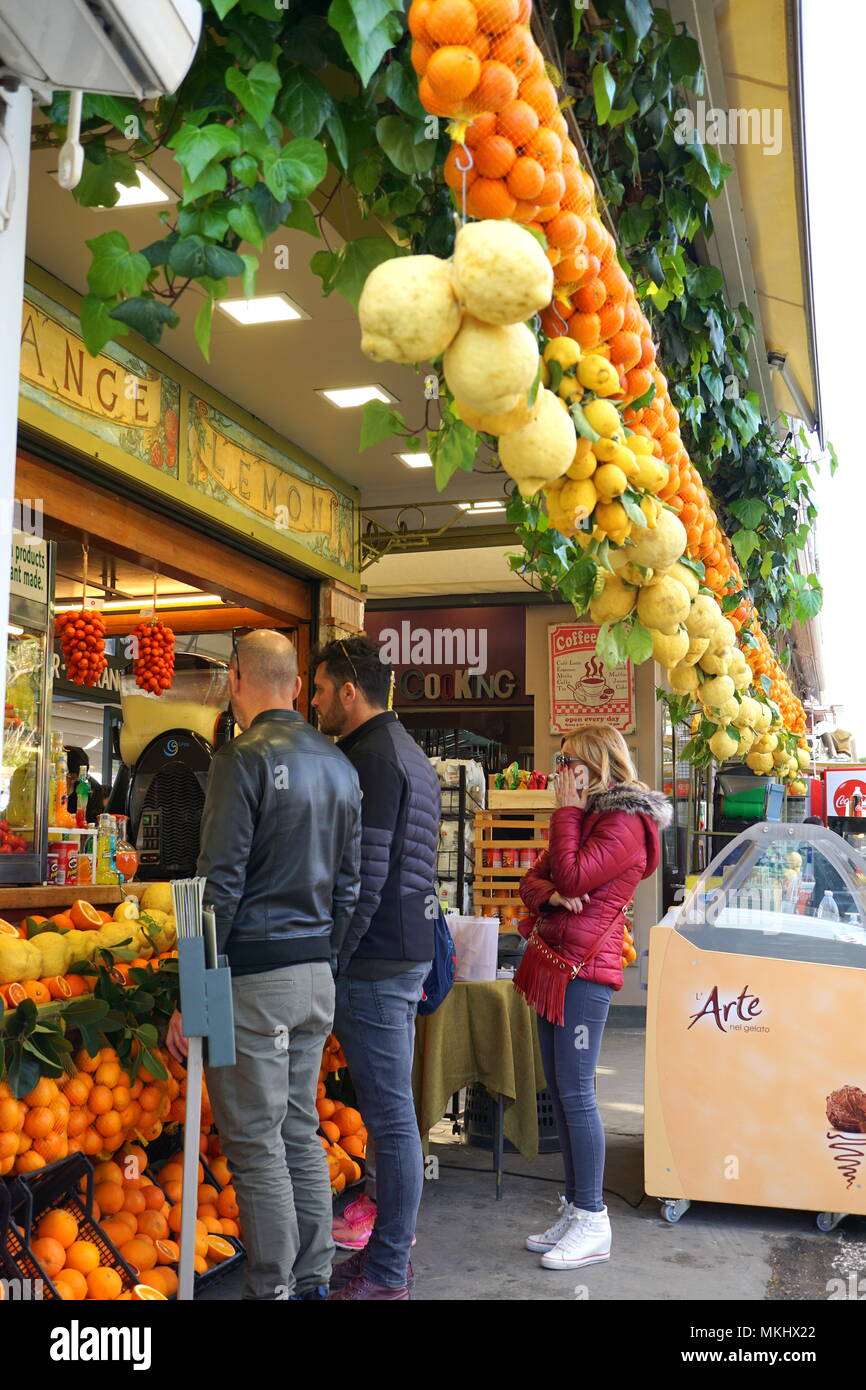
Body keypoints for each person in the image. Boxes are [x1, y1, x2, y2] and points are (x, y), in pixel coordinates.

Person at [166, 630, 361, 1301]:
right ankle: (313, 1281)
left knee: (254, 1142)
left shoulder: (240, 758)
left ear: (237, 679)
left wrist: (194, 994)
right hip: (315, 975)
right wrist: (324, 959)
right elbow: (351, 887)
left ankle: (272, 1289)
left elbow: (216, 884)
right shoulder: (341, 767)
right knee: (300, 1129)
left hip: (253, 979)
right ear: (299, 687)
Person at [311, 635, 440, 1301]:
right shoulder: (408, 754)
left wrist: (333, 958)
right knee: (393, 1114)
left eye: (320, 689)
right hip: (404, 948)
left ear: (349, 691)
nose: (313, 702)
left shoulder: (370, 760)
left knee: (390, 1118)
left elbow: (362, 877)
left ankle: (388, 1272)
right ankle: (384, 1261)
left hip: (375, 955)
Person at [515, 724, 671, 1271]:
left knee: (577, 1093)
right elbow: (535, 882)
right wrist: (553, 892)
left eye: (567, 760)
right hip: (554, 965)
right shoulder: (588, 819)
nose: (559, 770)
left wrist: (565, 818)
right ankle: (574, 1206)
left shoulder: (624, 823)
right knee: (559, 1089)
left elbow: (576, 874)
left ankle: (593, 1219)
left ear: (594, 764)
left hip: (584, 973)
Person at [65, 746, 103, 823]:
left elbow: (93, 819)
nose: (71, 781)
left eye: (75, 778)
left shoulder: (92, 788)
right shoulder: (52, 785)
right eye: (69, 776)